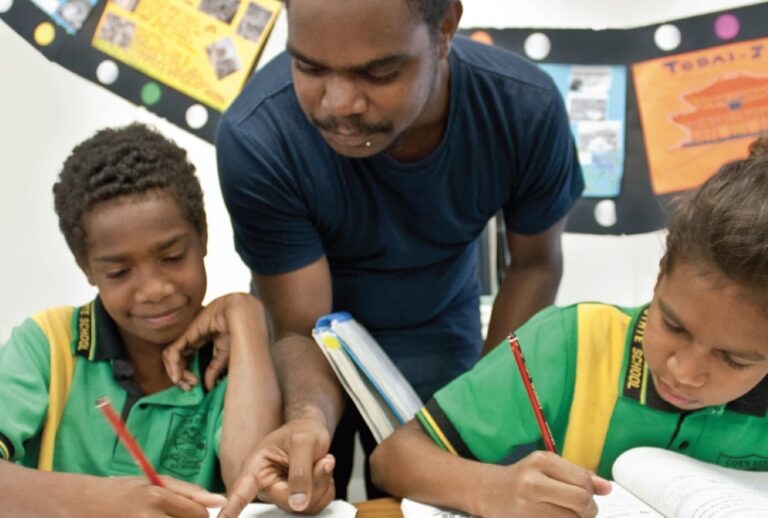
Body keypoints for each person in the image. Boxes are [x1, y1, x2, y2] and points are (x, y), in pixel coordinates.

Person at [211, 0, 584, 512]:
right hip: (309, 355)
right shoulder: (258, 137)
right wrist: (309, 419)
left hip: (441, 331)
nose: (338, 103)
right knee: (307, 491)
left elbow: (535, 265)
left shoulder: (523, 107)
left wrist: (488, 400)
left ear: (445, 28)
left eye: (379, 71)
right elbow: (301, 326)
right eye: (309, 66)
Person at [369, 136, 768, 517]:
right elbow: (392, 460)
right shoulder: (566, 343)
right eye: (673, 325)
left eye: (734, 359)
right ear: (661, 273)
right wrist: (491, 489)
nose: (683, 372)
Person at [0, 123, 281, 517]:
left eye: (172, 257)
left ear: (202, 236)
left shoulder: (232, 357)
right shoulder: (49, 344)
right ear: (87, 268)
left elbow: (252, 486)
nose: (153, 289)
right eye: (119, 272)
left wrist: (247, 314)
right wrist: (100, 501)